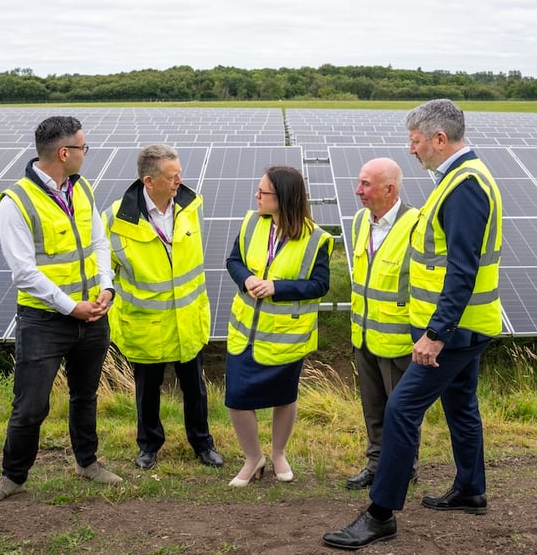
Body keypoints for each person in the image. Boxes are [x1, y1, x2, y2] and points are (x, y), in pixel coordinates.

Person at [323, 99, 503, 549]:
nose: (412, 150)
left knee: (401, 410)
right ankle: (470, 489)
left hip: (454, 331)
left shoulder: (464, 186)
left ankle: (380, 514)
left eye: (416, 141)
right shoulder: (465, 178)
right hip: (470, 325)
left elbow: (462, 269)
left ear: (440, 140)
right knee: (461, 405)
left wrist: (436, 333)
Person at [0, 116, 120, 505]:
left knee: (85, 395)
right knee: (31, 404)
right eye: (84, 148)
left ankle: (87, 462)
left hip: (93, 314)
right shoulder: (15, 202)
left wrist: (106, 286)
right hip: (44, 321)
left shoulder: (82, 188)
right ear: (64, 152)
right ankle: (12, 477)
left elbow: (98, 241)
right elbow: (23, 272)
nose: (87, 155)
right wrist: (71, 307)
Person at [102, 144, 222, 470]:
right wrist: (106, 295)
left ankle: (202, 443)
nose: (179, 181)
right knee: (148, 390)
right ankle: (149, 446)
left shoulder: (190, 205)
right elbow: (104, 269)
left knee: (195, 387)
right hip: (147, 322)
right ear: (149, 181)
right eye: (172, 176)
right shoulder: (116, 219)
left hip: (187, 317)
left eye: (179, 173)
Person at [224, 165, 333, 487]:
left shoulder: (317, 239)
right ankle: (252, 457)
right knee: (237, 399)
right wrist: (248, 280)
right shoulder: (251, 223)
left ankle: (279, 454)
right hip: (245, 333)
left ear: (283, 198)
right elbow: (234, 261)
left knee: (284, 397)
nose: (256, 196)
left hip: (286, 337)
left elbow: (319, 285)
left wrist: (277, 287)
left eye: (263, 192)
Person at [344, 158, 420, 491]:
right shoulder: (361, 220)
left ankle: (404, 469)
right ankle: (375, 465)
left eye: (365, 184)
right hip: (364, 334)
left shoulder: (417, 224)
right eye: (359, 183)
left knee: (400, 413)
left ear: (389, 189)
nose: (358, 191)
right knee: (373, 408)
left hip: (399, 338)